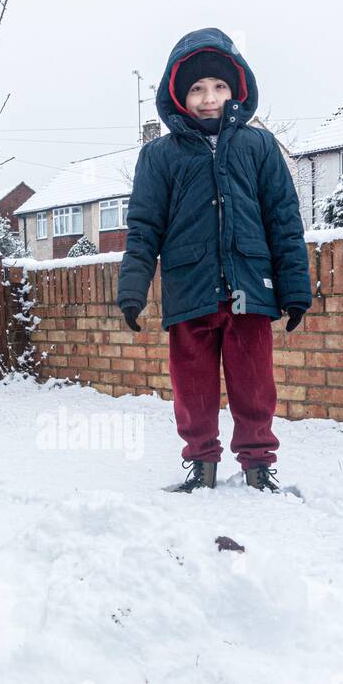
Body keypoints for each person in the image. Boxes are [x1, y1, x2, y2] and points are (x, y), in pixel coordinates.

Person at [116, 26, 312, 493]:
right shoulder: (159, 156)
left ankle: (257, 466)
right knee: (193, 389)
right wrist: (133, 289)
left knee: (255, 386)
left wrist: (295, 288)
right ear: (179, 95)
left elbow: (283, 218)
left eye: (220, 87)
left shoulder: (259, 146)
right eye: (198, 88)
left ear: (236, 89)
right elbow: (145, 227)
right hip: (190, 289)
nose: (210, 98)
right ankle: (201, 466)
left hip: (250, 286)